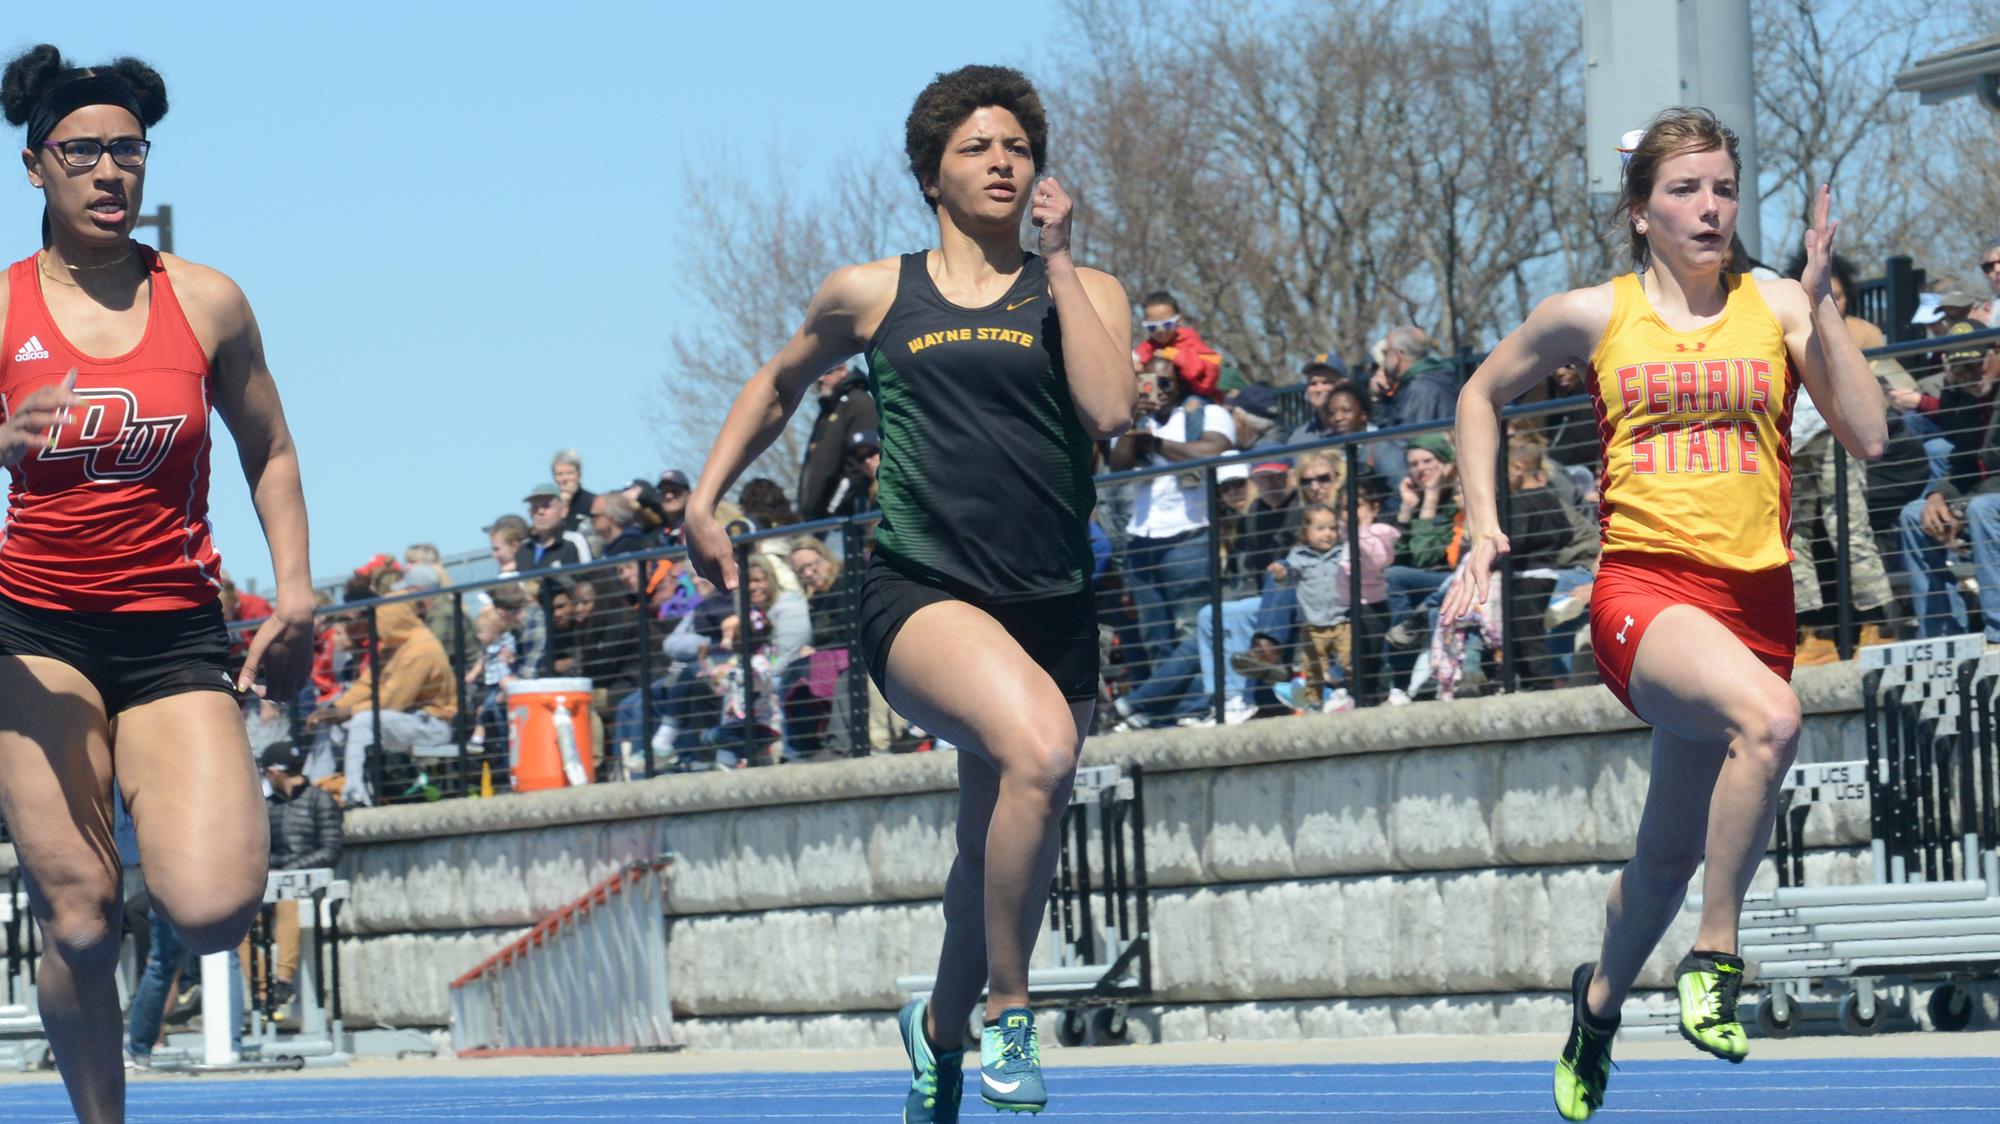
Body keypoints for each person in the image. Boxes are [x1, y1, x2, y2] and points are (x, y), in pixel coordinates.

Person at [683, 65, 1131, 1120]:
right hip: (918, 588)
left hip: (1050, 601)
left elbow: (1111, 409)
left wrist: (1059, 263)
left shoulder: (1084, 287)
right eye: (977, 146)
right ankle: (1010, 1015)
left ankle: (936, 1029)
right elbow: (779, 381)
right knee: (1041, 751)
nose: (1002, 162)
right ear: (931, 170)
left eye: (1018, 146)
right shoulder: (875, 291)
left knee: (991, 850)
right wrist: (704, 501)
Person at [1444, 109, 1884, 1120]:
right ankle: (1715, 955)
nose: (1709, 207)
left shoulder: (1773, 302)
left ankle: (1594, 1006)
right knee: (1769, 720)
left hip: (1752, 600)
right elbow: (1477, 392)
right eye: (1684, 190)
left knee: (1660, 854)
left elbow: (1863, 434)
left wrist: (1815, 310)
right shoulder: (1592, 314)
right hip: (1644, 589)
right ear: (1639, 212)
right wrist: (1479, 522)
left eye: (1723, 187)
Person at [0, 45, 315, 1119]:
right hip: (32, 628)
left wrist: (298, 587)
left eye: (126, 151)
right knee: (82, 914)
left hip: (171, 627)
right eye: (82, 151)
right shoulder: (1, 311)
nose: (107, 171)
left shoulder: (208, 301)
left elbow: (268, 446)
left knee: (216, 905)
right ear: (35, 165)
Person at [1107, 359, 1235, 683]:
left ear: (1181, 383)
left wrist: (1157, 445)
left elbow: (1211, 450)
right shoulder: (1130, 420)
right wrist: (1133, 427)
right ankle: (1173, 710)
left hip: (1189, 535)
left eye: (1165, 383)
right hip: (1142, 536)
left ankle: (1183, 702)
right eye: (1149, 382)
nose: (1157, 390)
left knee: (1192, 630)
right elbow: (1118, 466)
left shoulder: (1205, 413)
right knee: (1156, 636)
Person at [253, 740, 341, 1019]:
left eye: (267, 772)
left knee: (288, 900)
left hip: (310, 885)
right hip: (274, 883)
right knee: (242, 920)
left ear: (276, 772)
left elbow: (330, 851)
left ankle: (283, 981)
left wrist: (289, 870)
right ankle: (261, 992)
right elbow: (261, 851)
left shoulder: (320, 800)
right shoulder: (268, 806)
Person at [797, 357, 878, 520]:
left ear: (842, 369)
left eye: (825, 372)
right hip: (818, 519)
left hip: (846, 518)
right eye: (815, 375)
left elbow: (858, 464)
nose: (820, 379)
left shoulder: (858, 403)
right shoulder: (829, 410)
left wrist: (832, 510)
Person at [1135, 290, 1222, 401]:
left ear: (1178, 321)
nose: (1161, 331)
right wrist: (1134, 367)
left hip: (1197, 394)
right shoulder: (1148, 346)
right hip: (1163, 399)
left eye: (1167, 325)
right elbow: (1137, 357)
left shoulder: (1190, 341)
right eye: (1152, 327)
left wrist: (1173, 355)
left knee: (1193, 406)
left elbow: (1201, 374)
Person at [551, 449, 595, 536]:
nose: (565, 479)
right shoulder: (549, 505)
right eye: (560, 474)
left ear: (579, 475)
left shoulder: (593, 502)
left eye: (569, 473)